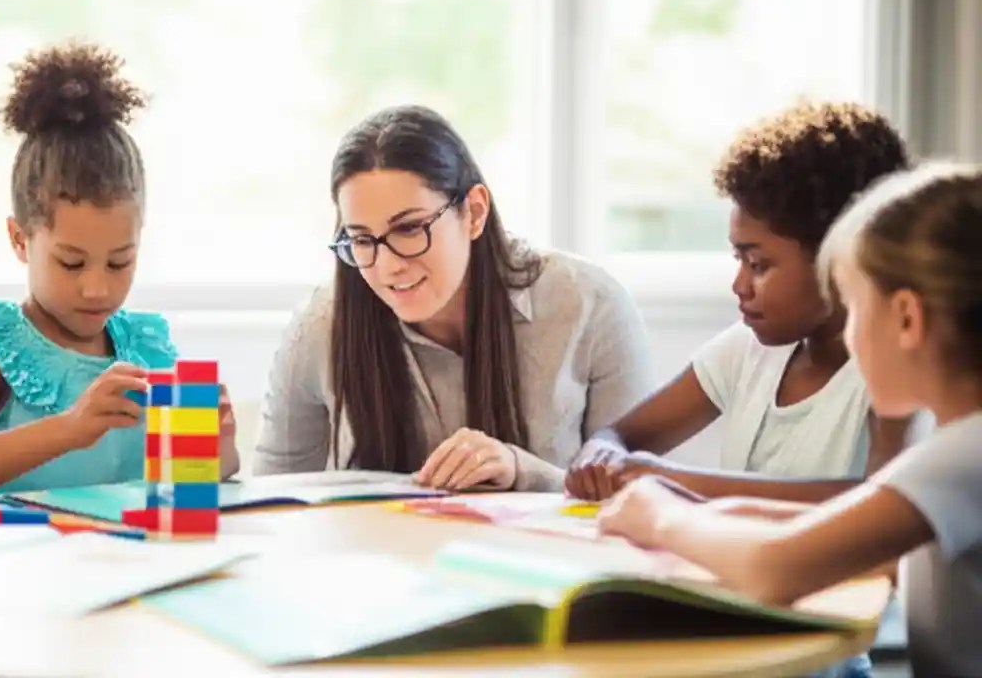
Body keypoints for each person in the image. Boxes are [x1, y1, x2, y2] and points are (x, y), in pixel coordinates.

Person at [600, 162, 982, 677]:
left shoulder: (962, 456)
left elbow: (772, 569)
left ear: (907, 318)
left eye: (853, 306)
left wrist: (660, 518)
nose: (848, 336)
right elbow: (842, 536)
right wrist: (705, 508)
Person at [254, 105, 651, 491]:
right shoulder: (320, 326)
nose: (388, 265)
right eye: (361, 239)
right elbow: (273, 503)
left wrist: (522, 471)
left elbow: (644, 501)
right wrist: (218, 472)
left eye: (409, 228)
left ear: (475, 212)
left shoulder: (591, 307)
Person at [0, 42, 239, 497]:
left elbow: (186, 483)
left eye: (120, 261)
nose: (97, 288)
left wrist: (217, 449)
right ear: (20, 239)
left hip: (130, 563)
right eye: (71, 262)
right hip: (14, 563)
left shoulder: (146, 349)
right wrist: (70, 427)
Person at [566, 102, 912, 502]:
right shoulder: (745, 350)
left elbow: (880, 503)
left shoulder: (894, 370)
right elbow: (621, 436)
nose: (740, 285)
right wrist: (602, 455)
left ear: (842, 258)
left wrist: (671, 479)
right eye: (739, 260)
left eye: (759, 265)